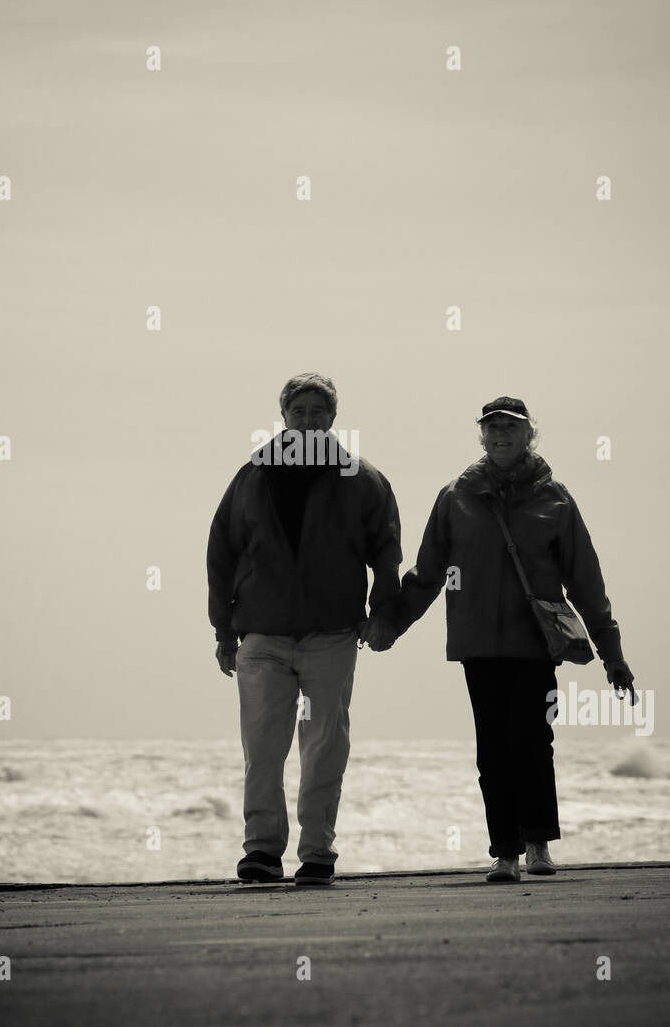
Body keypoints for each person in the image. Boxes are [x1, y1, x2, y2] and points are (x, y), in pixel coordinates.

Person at [364, 396, 636, 883]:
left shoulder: (556, 499)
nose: (501, 435)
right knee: (492, 747)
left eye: (511, 427)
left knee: (534, 741)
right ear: (482, 436)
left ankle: (538, 847)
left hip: (535, 645)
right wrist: (391, 623)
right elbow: (428, 574)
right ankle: (504, 852)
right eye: (492, 428)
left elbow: (586, 580)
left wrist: (611, 653)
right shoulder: (456, 497)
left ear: (530, 435)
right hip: (478, 645)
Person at [207, 373, 402, 886]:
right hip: (263, 637)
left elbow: (386, 552)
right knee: (263, 749)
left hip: (331, 635)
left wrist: (382, 614)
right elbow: (221, 554)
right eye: (300, 410)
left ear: (333, 418)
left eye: (319, 410)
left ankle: (317, 851)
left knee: (324, 745)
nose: (309, 418)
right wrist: (223, 631)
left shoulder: (361, 478)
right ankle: (262, 852)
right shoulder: (251, 476)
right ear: (284, 416)